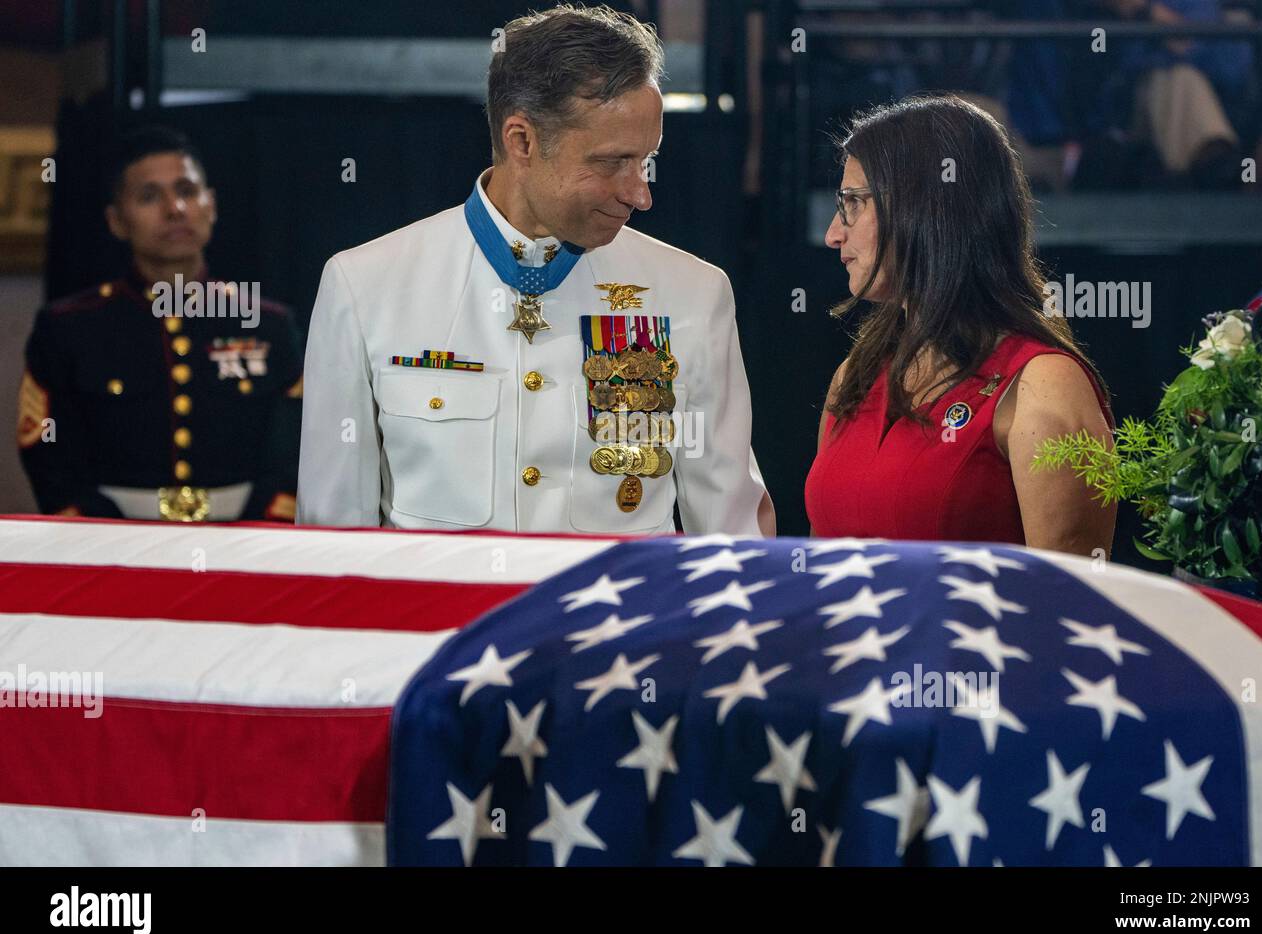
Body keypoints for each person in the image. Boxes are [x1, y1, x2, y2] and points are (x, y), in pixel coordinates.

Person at [297, 4, 775, 535]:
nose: (641, 193)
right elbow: (332, 538)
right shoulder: (365, 286)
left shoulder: (692, 293)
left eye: (645, 160)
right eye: (612, 162)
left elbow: (732, 535)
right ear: (520, 140)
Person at [805, 95, 1117, 556]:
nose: (834, 232)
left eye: (852, 202)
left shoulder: (1045, 385)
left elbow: (1070, 606)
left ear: (926, 208)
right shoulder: (855, 375)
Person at [17, 126, 303, 522]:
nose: (174, 209)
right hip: (108, 544)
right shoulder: (69, 328)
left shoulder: (268, 325)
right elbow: (49, 455)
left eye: (187, 190)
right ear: (117, 221)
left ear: (211, 205)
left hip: (250, 539)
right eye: (150, 196)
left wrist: (262, 531)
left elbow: (296, 449)